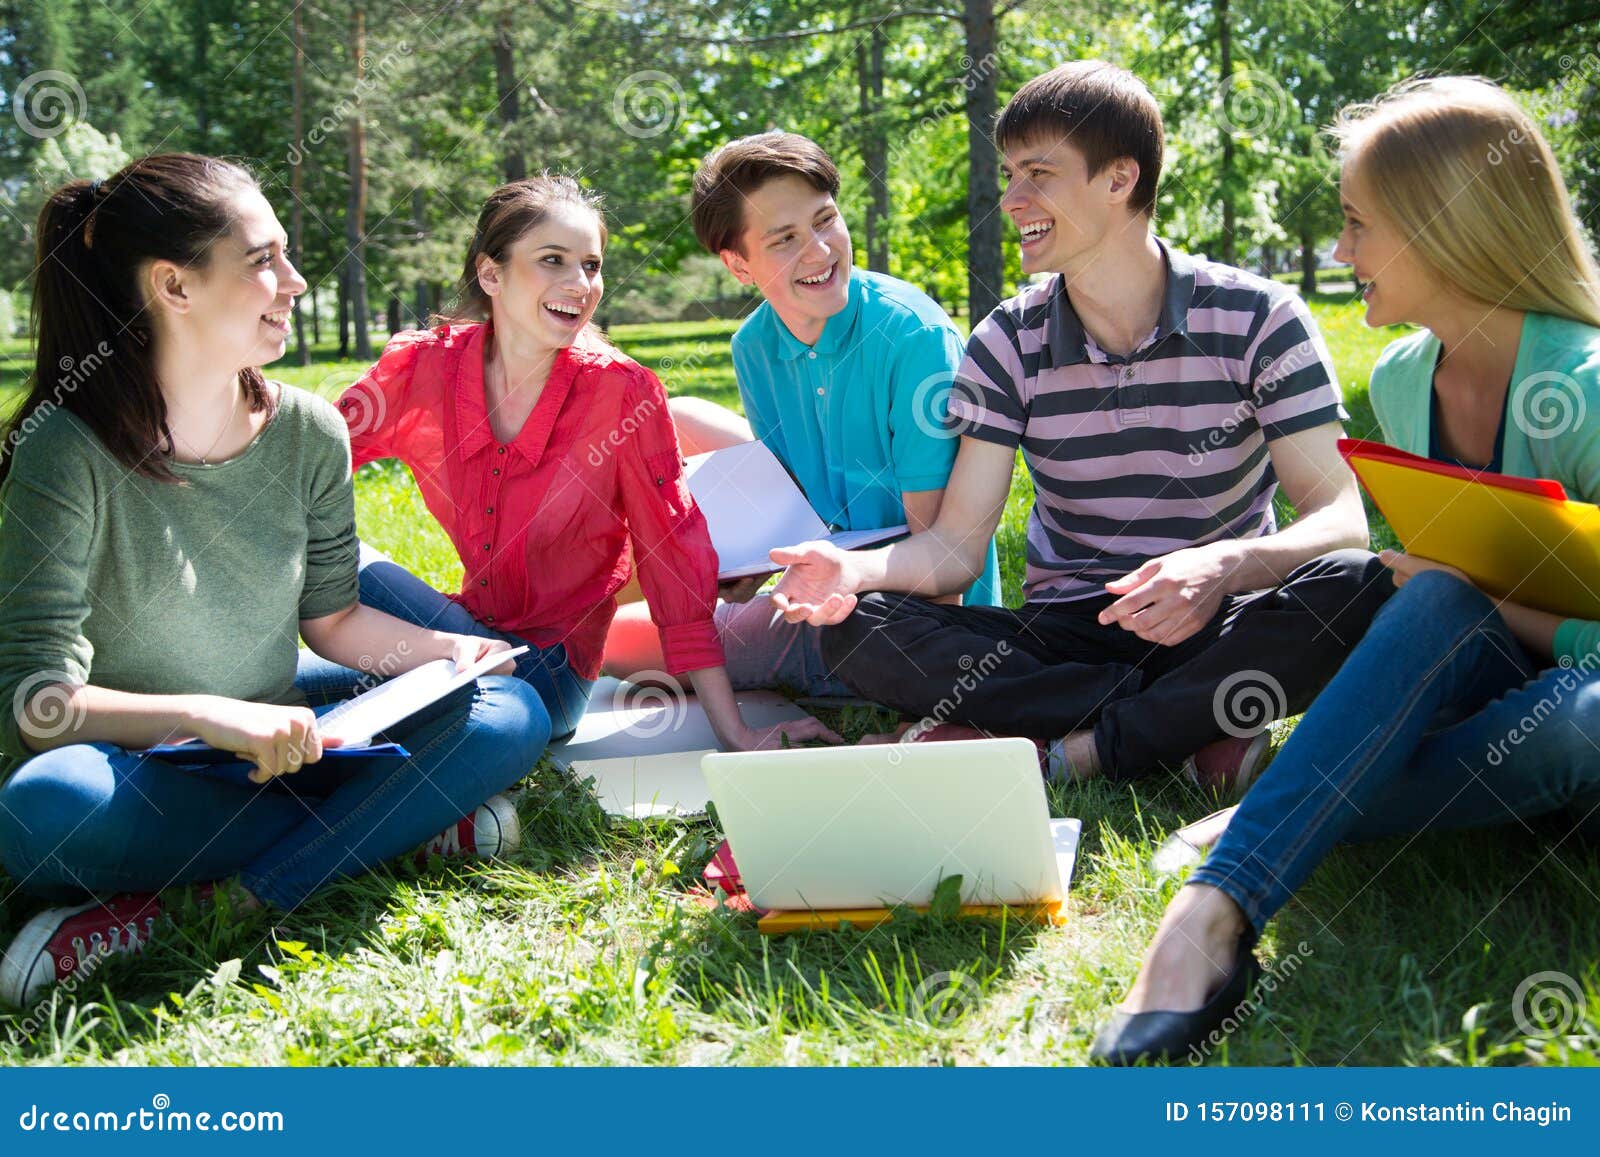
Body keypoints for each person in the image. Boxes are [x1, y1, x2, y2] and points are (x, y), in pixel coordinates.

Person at [1092, 76, 1600, 1065]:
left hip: (1579, 715)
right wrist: (1445, 586)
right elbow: (1442, 606)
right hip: (1478, 697)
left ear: (1441, 228)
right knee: (1436, 593)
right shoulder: (1406, 379)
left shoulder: (1582, 387)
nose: (1340, 253)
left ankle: (1288, 805)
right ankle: (1208, 918)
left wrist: (1481, 596)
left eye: (1359, 225)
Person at [0, 155, 545, 1009]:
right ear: (174, 287)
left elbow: (332, 620)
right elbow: (34, 702)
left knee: (509, 711)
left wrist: (444, 650)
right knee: (45, 807)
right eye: (262, 260)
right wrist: (200, 714)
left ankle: (221, 899)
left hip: (287, 727)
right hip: (145, 765)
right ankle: (394, 830)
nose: (292, 281)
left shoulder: (310, 432)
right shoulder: (65, 453)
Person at [768, 62, 1390, 784]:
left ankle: (1066, 747)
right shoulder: (1007, 341)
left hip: (1215, 617)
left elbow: (1339, 520)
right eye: (1009, 175)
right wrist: (855, 568)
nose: (1012, 198)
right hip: (1068, 634)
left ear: (1120, 179)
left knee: (1353, 581)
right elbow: (956, 548)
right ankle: (1184, 729)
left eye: (1038, 173)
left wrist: (1223, 566)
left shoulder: (1261, 318)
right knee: (857, 626)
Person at [322, 175, 839, 751]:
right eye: (552, 260)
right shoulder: (424, 368)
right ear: (491, 274)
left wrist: (736, 732)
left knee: (341, 561)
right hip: (456, 648)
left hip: (545, 677)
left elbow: (675, 563)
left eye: (591, 265)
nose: (580, 284)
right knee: (290, 680)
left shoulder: (620, 394)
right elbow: (311, 460)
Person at [603, 131, 1003, 699]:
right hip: (824, 571)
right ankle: (532, 613)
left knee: (616, 643)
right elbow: (797, 502)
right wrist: (749, 563)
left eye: (824, 220)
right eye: (785, 238)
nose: (818, 251)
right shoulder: (755, 346)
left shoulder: (912, 336)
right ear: (739, 265)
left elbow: (942, 573)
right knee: (675, 424)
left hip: (899, 612)